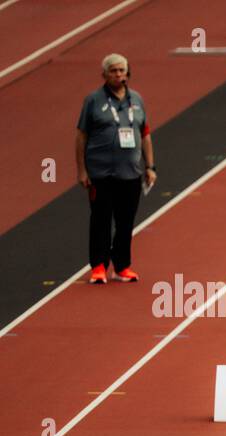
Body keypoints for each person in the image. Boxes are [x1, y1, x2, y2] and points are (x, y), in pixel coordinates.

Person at [75, 53, 156, 284]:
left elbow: (145, 135)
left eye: (122, 70)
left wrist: (150, 166)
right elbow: (81, 136)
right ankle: (99, 266)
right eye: (113, 71)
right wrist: (82, 170)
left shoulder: (137, 100)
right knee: (100, 219)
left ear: (128, 73)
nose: (118, 74)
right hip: (101, 173)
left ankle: (122, 266)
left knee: (125, 222)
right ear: (104, 74)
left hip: (130, 172)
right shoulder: (93, 101)